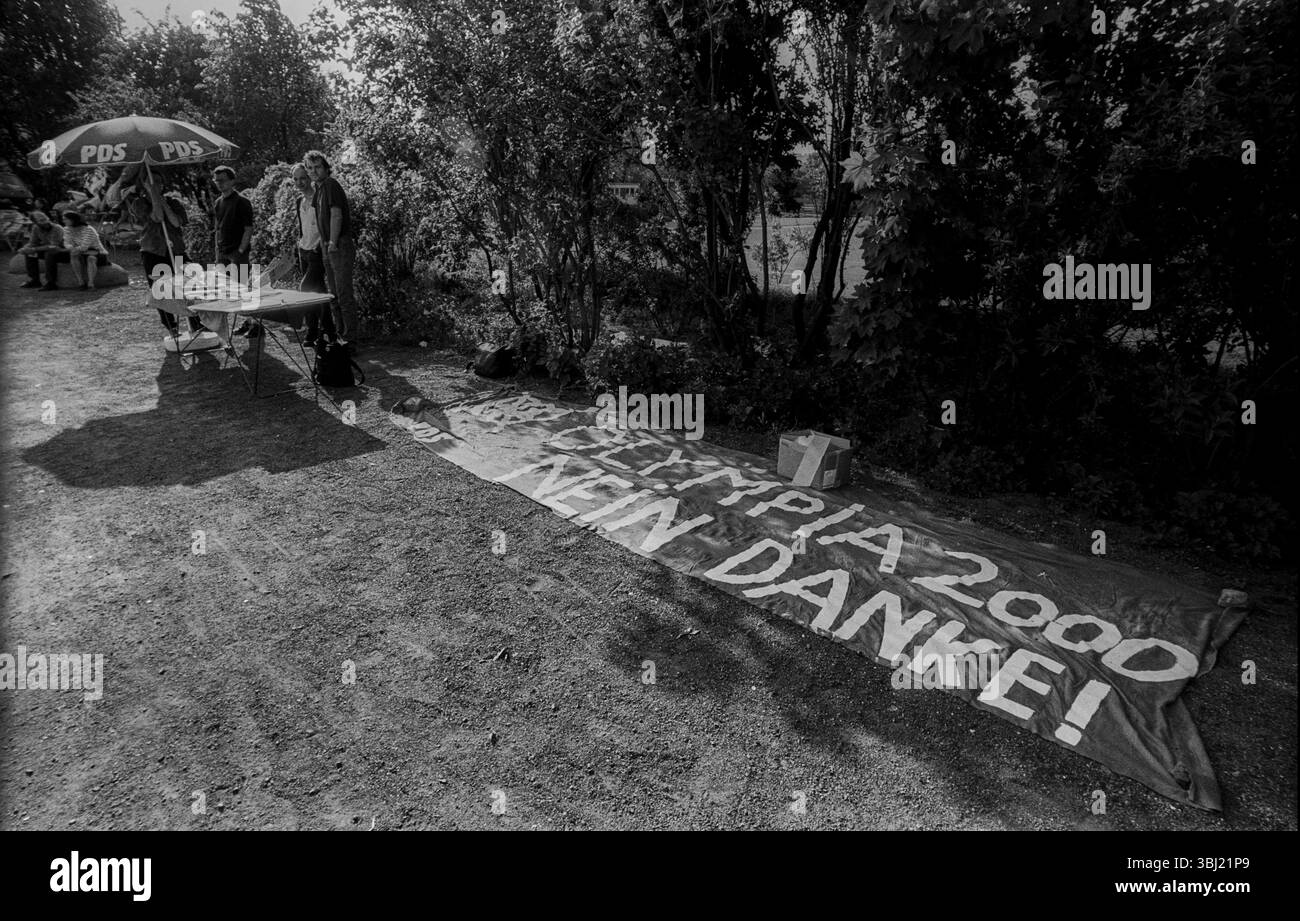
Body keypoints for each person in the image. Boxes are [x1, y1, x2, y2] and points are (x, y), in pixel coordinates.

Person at [304, 150, 360, 350]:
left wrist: (333, 242)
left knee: (344, 295)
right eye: (310, 168)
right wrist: (322, 243)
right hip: (327, 246)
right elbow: (320, 219)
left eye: (317, 166)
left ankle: (350, 340)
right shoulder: (318, 190)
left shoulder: (331, 185)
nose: (313, 171)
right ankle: (339, 336)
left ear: (326, 167)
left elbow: (336, 215)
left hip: (339, 244)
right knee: (334, 296)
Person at [132, 183, 202, 336]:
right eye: (151, 181)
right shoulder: (140, 203)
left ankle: (197, 322)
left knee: (189, 285)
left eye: (158, 181)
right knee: (161, 289)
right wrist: (153, 196)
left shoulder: (173, 202)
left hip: (175, 249)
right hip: (153, 251)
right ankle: (172, 327)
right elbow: (156, 217)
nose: (155, 184)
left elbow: (177, 222)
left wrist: (163, 202)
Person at [211, 165, 258, 337]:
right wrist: (217, 252)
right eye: (217, 181)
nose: (220, 184)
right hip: (223, 253)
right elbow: (218, 229)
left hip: (238, 253)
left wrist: (240, 250)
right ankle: (245, 322)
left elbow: (248, 228)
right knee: (227, 291)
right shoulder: (218, 202)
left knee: (243, 289)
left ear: (232, 181)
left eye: (223, 180)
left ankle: (255, 325)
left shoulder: (242, 202)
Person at [292, 163, 332, 345]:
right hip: (304, 251)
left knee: (305, 289)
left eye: (303, 178)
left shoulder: (320, 197)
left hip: (317, 252)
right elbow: (303, 228)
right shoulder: (300, 201)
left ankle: (311, 331)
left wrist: (319, 246)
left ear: (309, 177)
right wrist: (300, 245)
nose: (299, 182)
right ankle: (329, 332)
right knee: (319, 293)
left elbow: (327, 225)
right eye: (296, 179)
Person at [57, 210, 108, 290]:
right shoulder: (67, 229)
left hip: (95, 251)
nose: (63, 221)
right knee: (73, 255)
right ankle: (80, 282)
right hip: (79, 251)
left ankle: (91, 283)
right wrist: (72, 248)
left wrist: (76, 249)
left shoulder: (88, 229)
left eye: (66, 219)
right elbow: (67, 243)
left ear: (73, 220)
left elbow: (85, 246)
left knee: (91, 258)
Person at [18, 211, 65, 289]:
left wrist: (34, 249)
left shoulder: (57, 228)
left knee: (49, 253)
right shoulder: (36, 228)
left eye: (45, 218)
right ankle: (34, 280)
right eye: (41, 220)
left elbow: (53, 246)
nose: (45, 221)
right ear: (35, 222)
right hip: (48, 249)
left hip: (61, 251)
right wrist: (25, 248)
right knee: (30, 253)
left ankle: (51, 282)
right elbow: (33, 242)